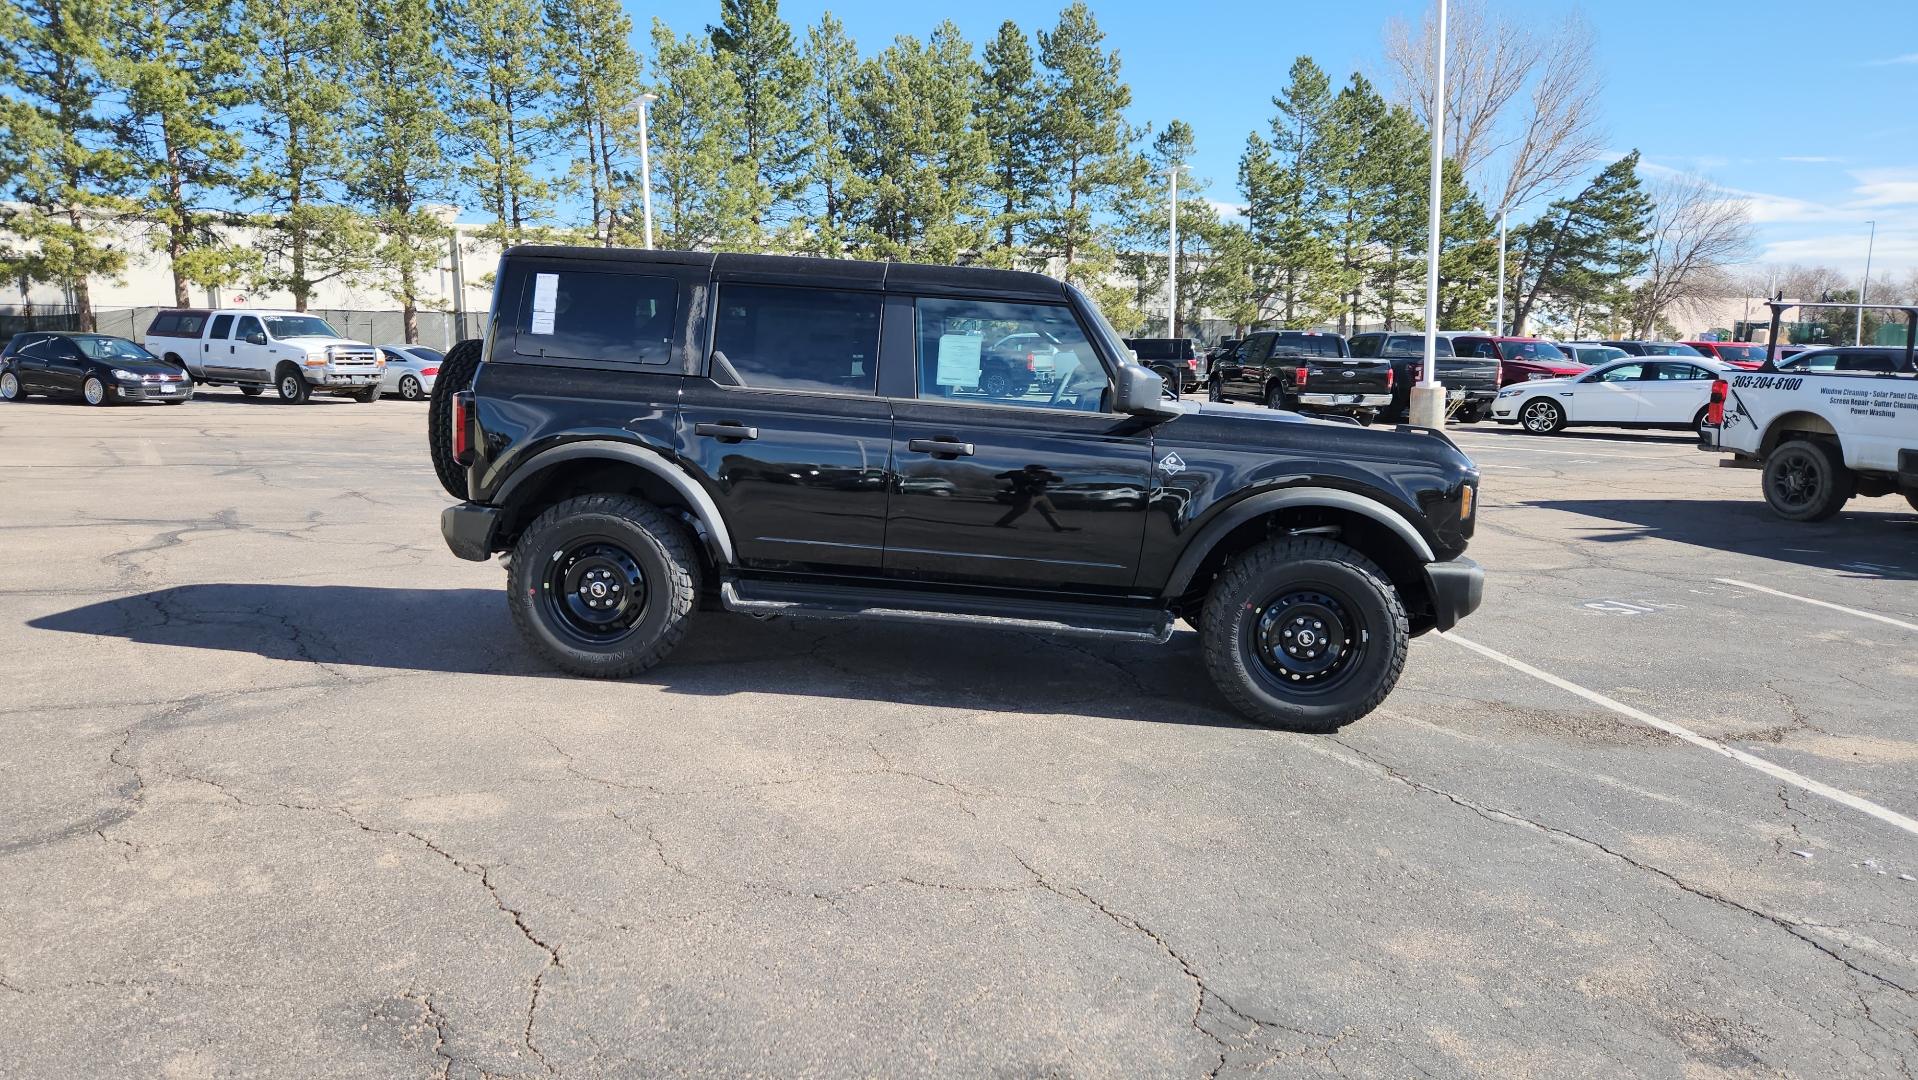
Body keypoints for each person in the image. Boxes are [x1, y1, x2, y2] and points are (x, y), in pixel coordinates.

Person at [993, 464, 1078, 532]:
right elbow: (998, 476)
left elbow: (1059, 480)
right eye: (1039, 469)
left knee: (1049, 510)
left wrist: (1051, 476)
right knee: (1020, 510)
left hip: (1040, 496)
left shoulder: (1044, 475)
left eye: (1042, 469)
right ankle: (1001, 523)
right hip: (1026, 495)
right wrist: (1015, 475)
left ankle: (1058, 526)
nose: (1041, 470)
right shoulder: (1018, 473)